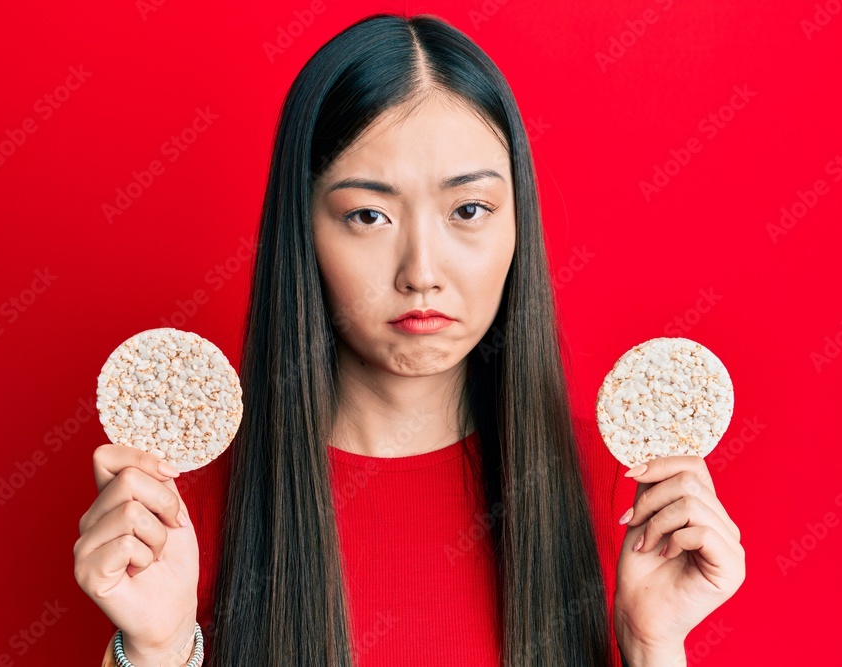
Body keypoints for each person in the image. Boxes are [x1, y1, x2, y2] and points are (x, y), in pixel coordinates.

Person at [73, 12, 745, 667]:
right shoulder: (173, 518)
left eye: (469, 210)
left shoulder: (626, 502)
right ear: (301, 229)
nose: (422, 270)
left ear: (519, 221)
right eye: (368, 214)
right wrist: (158, 652)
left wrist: (652, 648)